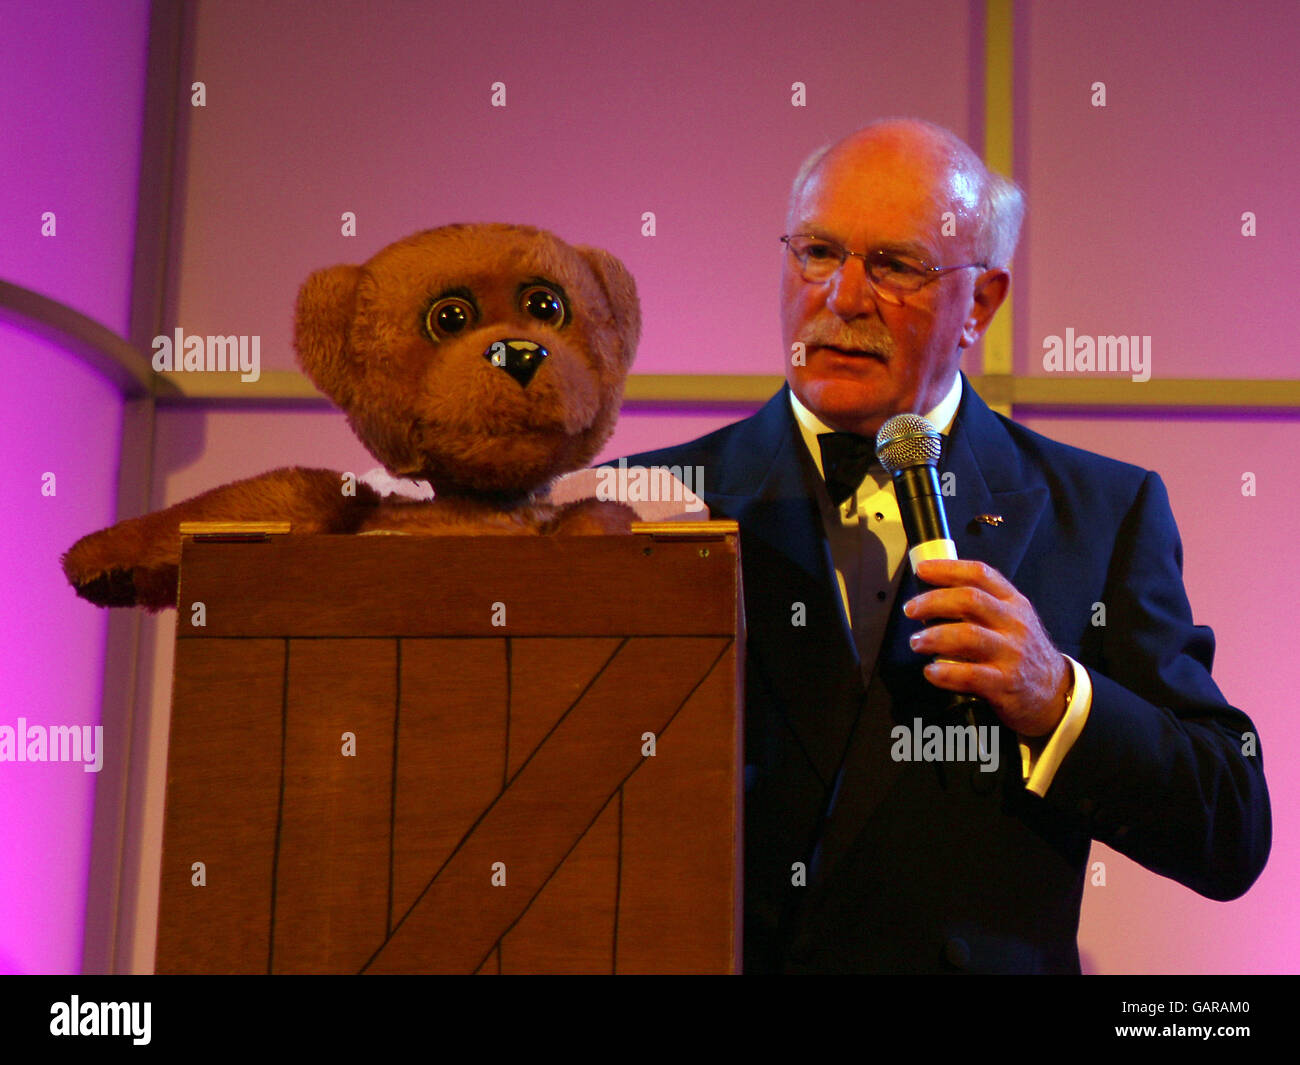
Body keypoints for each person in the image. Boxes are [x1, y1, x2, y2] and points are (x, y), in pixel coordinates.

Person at [619, 118, 1270, 973]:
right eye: (817, 252)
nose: (843, 296)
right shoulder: (643, 505)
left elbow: (1228, 825)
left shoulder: (1103, 511)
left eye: (893, 266)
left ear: (983, 304)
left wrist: (1058, 697)